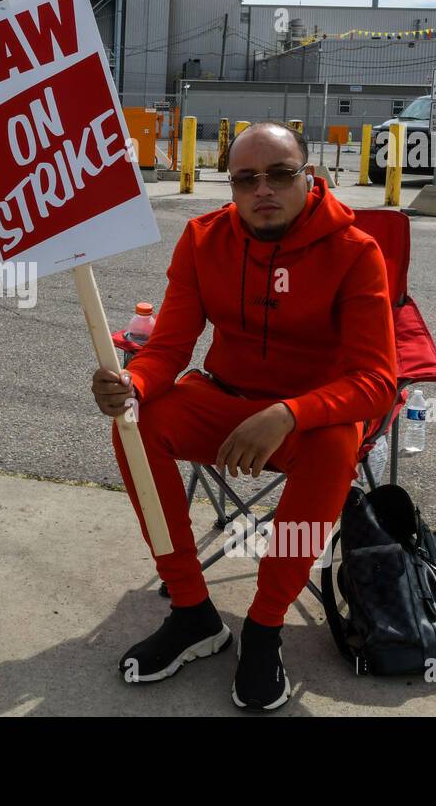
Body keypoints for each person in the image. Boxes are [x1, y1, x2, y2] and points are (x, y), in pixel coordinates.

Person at [91, 121, 397, 710]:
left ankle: (264, 628)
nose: (264, 189)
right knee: (137, 424)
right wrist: (132, 383)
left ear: (310, 178)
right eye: (246, 178)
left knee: (336, 444)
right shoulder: (203, 239)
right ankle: (192, 612)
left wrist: (288, 413)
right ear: (230, 186)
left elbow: (377, 382)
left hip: (308, 418)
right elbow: (170, 349)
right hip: (222, 398)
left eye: (281, 174)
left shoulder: (356, 252)